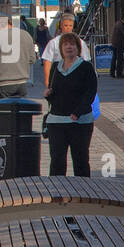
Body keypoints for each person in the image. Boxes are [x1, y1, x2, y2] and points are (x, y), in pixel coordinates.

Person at [43, 32, 96, 176]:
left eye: (72, 44)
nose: (69, 47)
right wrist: (48, 95)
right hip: (56, 121)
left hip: (80, 122)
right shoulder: (55, 67)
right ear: (61, 48)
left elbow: (90, 93)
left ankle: (83, 193)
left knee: (80, 160)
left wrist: (78, 112)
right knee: (57, 161)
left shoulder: (86, 67)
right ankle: (58, 193)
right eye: (65, 44)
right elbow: (55, 95)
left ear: (78, 48)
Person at [0, 19, 37, 99]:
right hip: (22, 82)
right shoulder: (26, 35)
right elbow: (32, 59)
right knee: (21, 109)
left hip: (4, 82)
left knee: (5, 110)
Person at [41, 14, 89, 87]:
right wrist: (47, 81)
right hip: (58, 78)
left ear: (73, 26)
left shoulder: (80, 42)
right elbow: (47, 62)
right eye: (66, 25)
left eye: (70, 26)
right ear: (61, 25)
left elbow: (86, 61)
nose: (68, 28)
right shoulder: (53, 43)